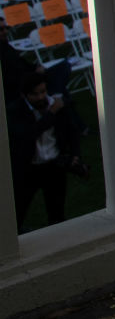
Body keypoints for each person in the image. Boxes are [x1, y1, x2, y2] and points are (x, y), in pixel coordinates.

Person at [5, 43, 86, 232]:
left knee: (57, 212)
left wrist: (75, 155)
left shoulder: (56, 106)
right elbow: (28, 134)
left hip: (54, 166)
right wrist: (51, 113)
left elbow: (71, 132)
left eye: (43, 91)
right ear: (25, 95)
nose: (41, 97)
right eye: (36, 94)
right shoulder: (17, 111)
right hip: (28, 169)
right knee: (18, 211)